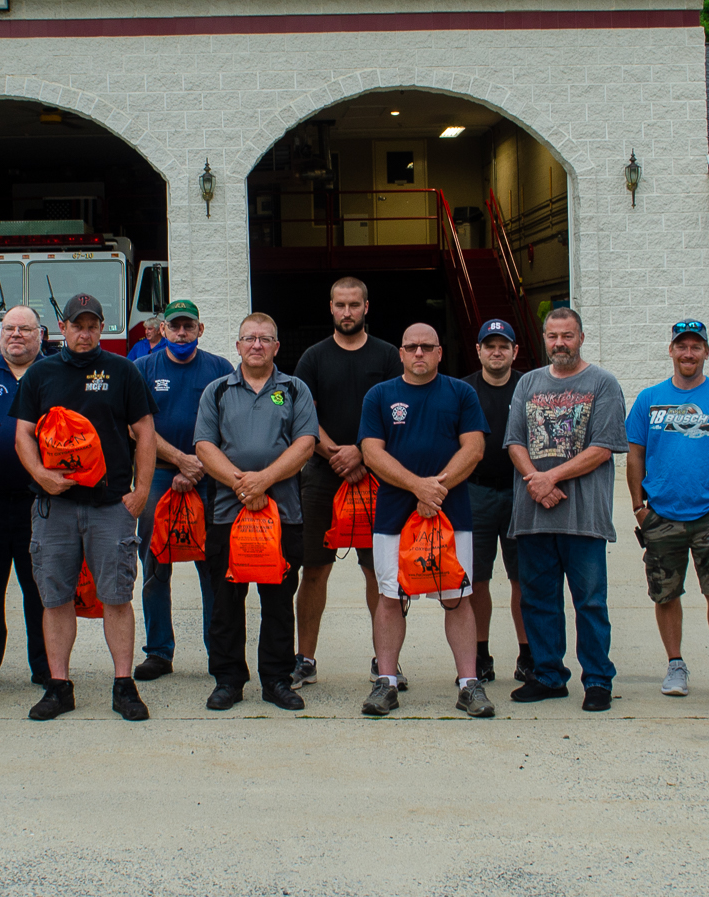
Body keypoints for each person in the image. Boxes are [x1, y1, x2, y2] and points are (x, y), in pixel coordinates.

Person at [10, 293, 157, 722]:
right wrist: (41, 476)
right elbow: (23, 434)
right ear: (62, 327)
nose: (85, 332)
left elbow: (145, 432)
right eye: (78, 325)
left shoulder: (123, 371)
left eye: (93, 325)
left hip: (110, 505)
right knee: (55, 598)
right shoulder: (40, 374)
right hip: (54, 506)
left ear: (102, 328)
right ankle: (59, 687)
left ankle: (123, 685)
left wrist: (141, 490)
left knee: (116, 595)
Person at [356, 323, 491, 717]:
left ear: (438, 353)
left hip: (452, 512)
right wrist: (419, 488)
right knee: (390, 597)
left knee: (458, 596)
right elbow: (371, 452)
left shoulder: (461, 393)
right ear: (400, 353)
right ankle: (387, 682)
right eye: (411, 347)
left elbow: (475, 447)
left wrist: (436, 489)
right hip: (395, 516)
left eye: (426, 347)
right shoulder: (380, 396)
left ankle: (469, 684)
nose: (419, 353)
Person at [193, 311, 319, 710]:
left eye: (265, 339)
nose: (257, 345)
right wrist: (241, 484)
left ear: (277, 346)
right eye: (250, 338)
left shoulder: (295, 389)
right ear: (238, 346)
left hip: (283, 516)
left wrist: (263, 481)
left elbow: (305, 444)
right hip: (228, 515)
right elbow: (204, 447)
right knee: (226, 602)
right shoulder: (216, 391)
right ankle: (228, 680)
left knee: (278, 602)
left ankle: (277, 680)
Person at [506, 307, 629, 712]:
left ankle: (596, 680)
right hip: (534, 514)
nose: (560, 343)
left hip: (584, 518)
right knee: (539, 600)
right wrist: (536, 483)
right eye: (553, 336)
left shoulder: (603, 383)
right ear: (544, 338)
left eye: (568, 335)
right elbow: (515, 442)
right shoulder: (528, 382)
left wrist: (551, 478)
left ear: (581, 337)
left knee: (590, 602)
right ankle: (548, 675)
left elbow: (603, 446)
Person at [625, 318, 709, 700]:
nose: (688, 353)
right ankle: (675, 664)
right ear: (672, 351)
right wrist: (638, 507)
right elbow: (635, 455)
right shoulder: (649, 399)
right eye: (682, 346)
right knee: (666, 593)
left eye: (696, 346)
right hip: (661, 513)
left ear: (706, 352)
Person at [291, 277, 402, 689]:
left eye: (354, 304)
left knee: (378, 573)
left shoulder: (390, 356)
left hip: (379, 477)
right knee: (314, 570)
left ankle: (385, 662)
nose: (347, 312)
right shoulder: (314, 358)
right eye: (340, 305)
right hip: (322, 476)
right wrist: (338, 454)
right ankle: (305, 659)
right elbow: (302, 419)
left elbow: (397, 414)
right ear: (331, 307)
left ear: (367, 307)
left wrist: (362, 451)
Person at [132, 298, 233, 679]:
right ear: (163, 330)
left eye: (188, 326)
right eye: (174, 326)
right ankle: (158, 652)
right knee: (156, 565)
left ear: (200, 330)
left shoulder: (220, 369)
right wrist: (179, 460)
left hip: (209, 479)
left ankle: (218, 652)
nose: (181, 333)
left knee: (212, 566)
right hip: (157, 476)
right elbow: (136, 426)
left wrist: (198, 467)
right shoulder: (142, 368)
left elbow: (230, 425)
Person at [0, 306, 52, 688]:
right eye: (9, 329)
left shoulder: (56, 373)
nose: (16, 335)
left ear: (41, 334)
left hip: (42, 502)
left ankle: (47, 665)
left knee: (41, 588)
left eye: (25, 329)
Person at [460, 319, 529, 683]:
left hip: (522, 494)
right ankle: (481, 653)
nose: (497, 351)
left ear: (514, 351)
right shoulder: (464, 391)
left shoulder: (530, 387)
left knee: (523, 579)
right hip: (477, 493)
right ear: (479, 351)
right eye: (490, 345)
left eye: (504, 345)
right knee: (477, 580)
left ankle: (527, 654)